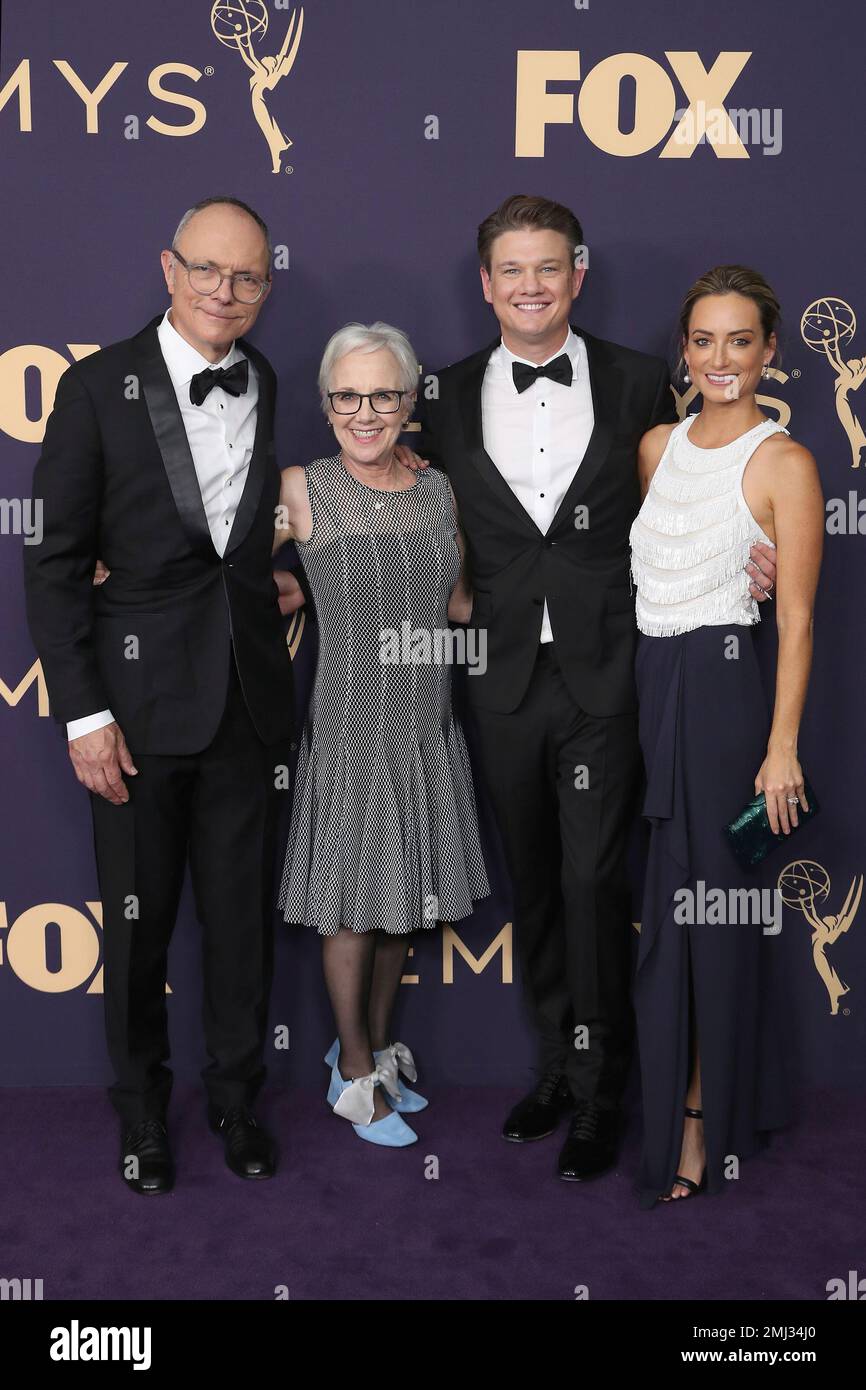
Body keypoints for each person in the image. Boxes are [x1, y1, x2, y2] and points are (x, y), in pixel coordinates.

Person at [377, 194, 778, 1183]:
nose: (528, 285)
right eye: (510, 269)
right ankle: (553, 1065)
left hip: (610, 669)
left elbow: (695, 491)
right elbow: (389, 499)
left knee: (597, 880)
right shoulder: (442, 392)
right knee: (537, 884)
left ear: (577, 274)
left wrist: (758, 547)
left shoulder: (645, 382)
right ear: (484, 283)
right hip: (499, 675)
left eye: (546, 267)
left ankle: (603, 1091)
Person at [24, 196, 295, 1194]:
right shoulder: (97, 388)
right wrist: (84, 714)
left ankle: (235, 1099)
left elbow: (233, 543)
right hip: (135, 716)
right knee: (136, 933)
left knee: (238, 926)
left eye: (249, 277)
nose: (227, 292)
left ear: (266, 287)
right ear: (168, 269)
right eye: (209, 270)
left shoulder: (261, 377)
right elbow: (54, 565)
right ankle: (142, 1116)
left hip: (247, 704)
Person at [629, 265, 824, 1207]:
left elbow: (795, 619)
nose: (720, 359)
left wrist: (780, 746)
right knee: (667, 912)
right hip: (650, 686)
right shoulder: (656, 446)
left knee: (708, 913)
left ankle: (701, 1122)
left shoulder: (785, 462)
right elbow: (656, 577)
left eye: (740, 341)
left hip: (722, 697)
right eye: (704, 340)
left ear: (769, 352)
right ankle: (687, 1095)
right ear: (686, 348)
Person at [273, 322, 490, 1147]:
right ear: (328, 403)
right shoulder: (304, 487)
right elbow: (222, 565)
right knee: (353, 910)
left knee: (408, 901)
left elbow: (462, 604)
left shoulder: (439, 490)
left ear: (408, 401)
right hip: (352, 724)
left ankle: (374, 1049)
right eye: (347, 396)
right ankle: (353, 1071)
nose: (365, 413)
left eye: (384, 395)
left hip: (426, 724)